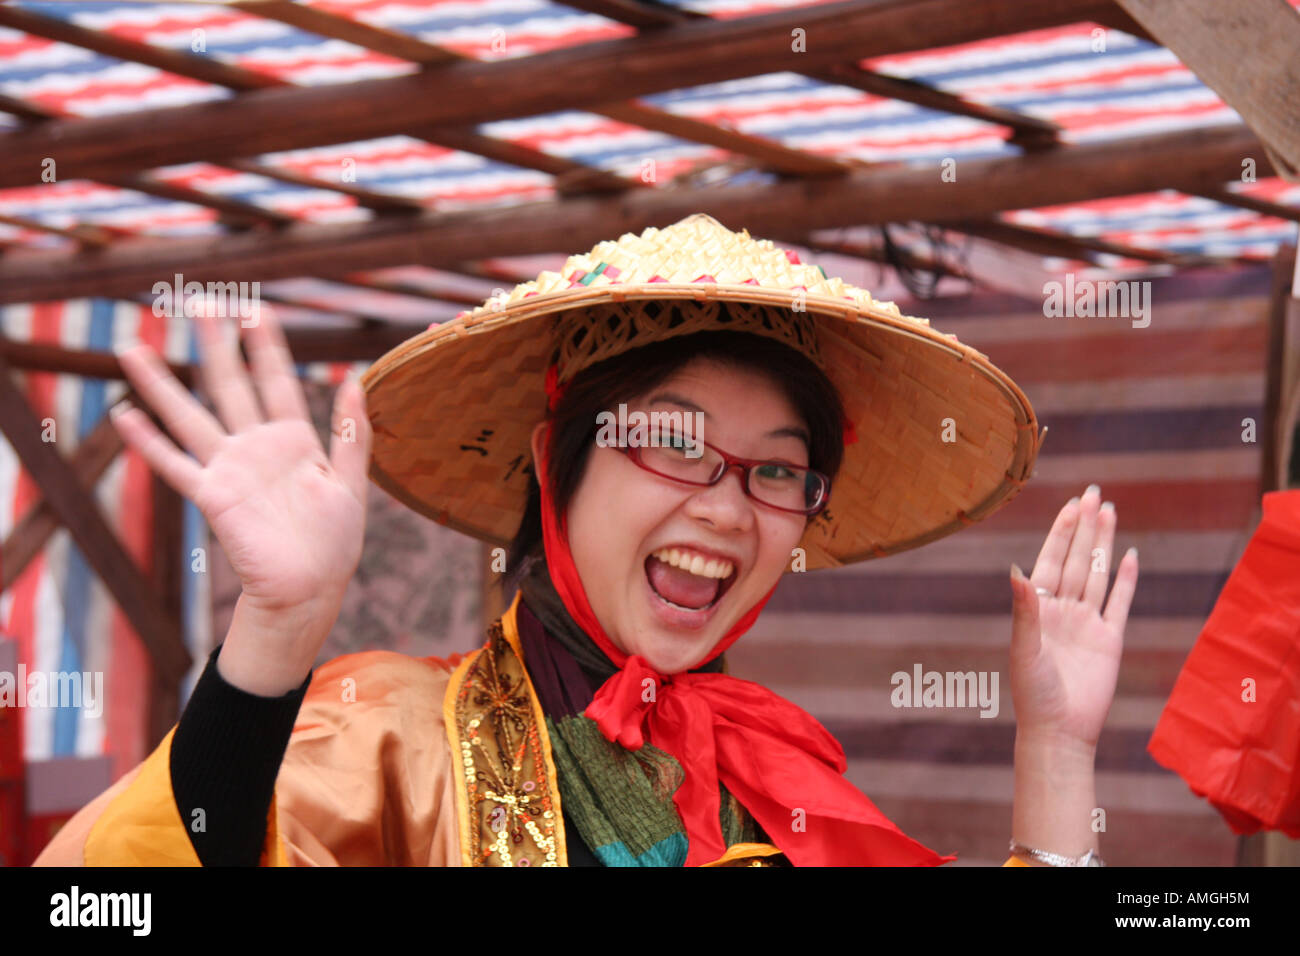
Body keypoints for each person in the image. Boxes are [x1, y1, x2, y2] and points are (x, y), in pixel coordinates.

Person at [34, 213, 1137, 866]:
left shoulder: (777, 774)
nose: (722, 504)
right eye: (669, 440)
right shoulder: (386, 736)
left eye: (777, 470)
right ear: (557, 461)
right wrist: (270, 638)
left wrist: (1053, 748)